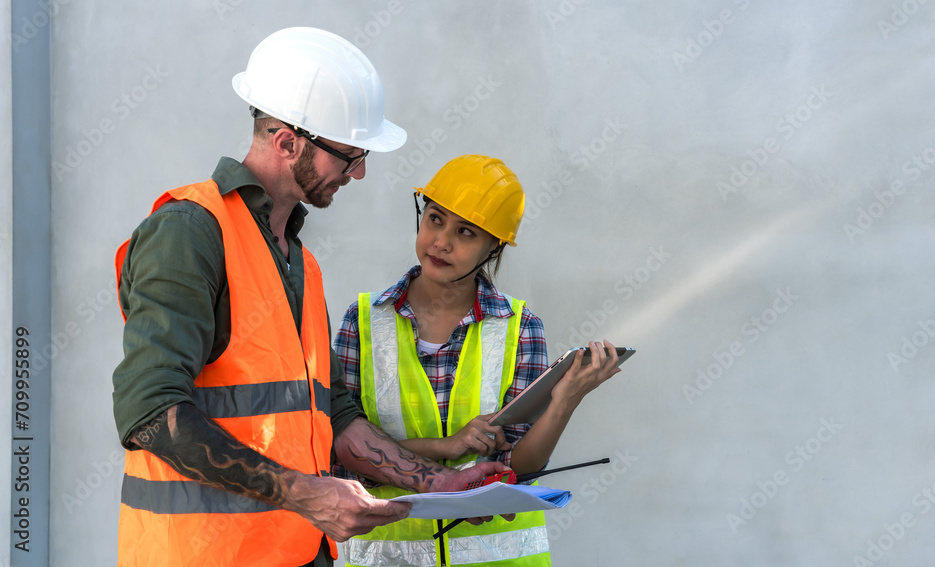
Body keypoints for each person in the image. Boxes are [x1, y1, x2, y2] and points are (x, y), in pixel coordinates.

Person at [111, 28, 510, 567]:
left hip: (298, 553)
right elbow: (149, 410)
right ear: (287, 142)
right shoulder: (189, 232)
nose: (359, 172)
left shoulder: (301, 263)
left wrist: (443, 483)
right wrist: (305, 494)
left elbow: (334, 413)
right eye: (349, 155)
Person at [332, 154, 623, 566]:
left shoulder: (520, 328)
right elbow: (342, 457)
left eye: (465, 232)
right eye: (435, 219)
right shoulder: (362, 322)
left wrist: (565, 402)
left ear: (494, 246)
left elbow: (518, 467)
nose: (441, 242)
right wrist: (446, 446)